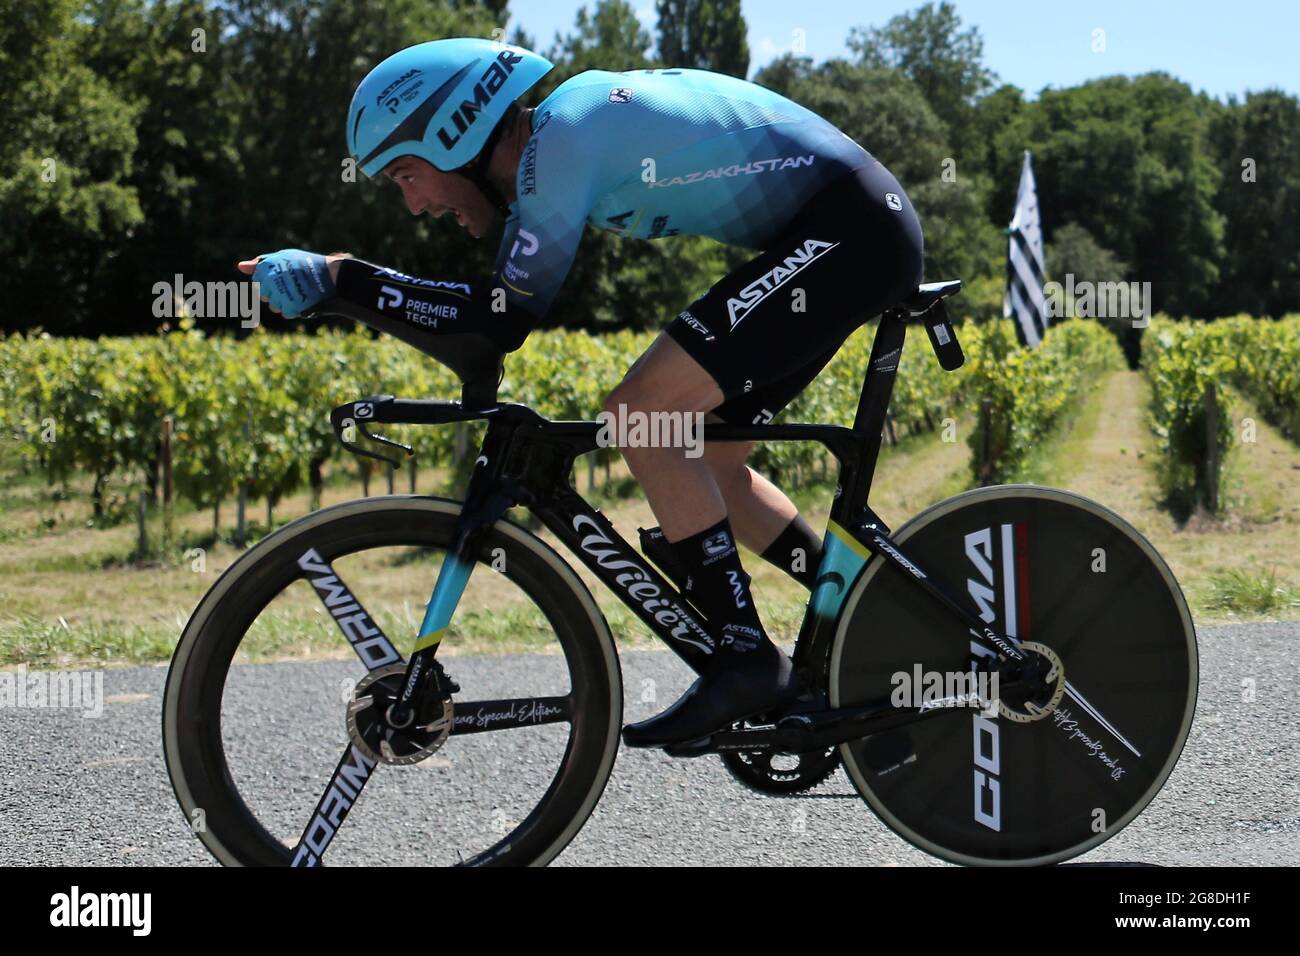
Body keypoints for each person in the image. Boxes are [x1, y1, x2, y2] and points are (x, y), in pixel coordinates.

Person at [240, 37, 924, 749]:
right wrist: (348, 288)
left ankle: (747, 657)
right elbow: (487, 326)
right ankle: (863, 629)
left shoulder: (562, 140)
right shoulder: (562, 140)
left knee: (642, 415)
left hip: (852, 230)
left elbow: (497, 321)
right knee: (708, 463)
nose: (415, 205)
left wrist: (342, 280)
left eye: (408, 175)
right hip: (848, 228)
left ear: (456, 134)